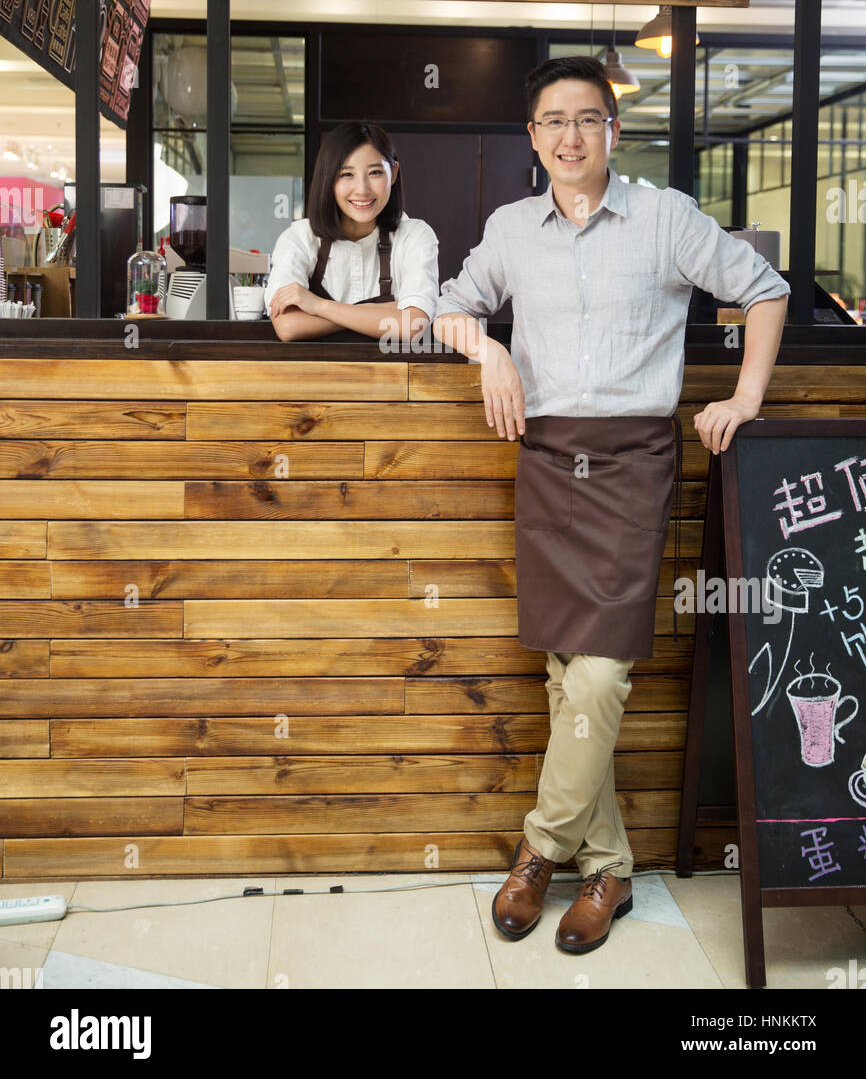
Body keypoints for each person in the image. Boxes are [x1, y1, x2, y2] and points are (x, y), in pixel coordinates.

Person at [431, 54, 790, 955]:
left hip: (633, 465)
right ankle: (611, 868)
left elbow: (766, 289)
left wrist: (745, 399)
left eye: (587, 119)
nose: (569, 136)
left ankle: (540, 849)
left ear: (612, 130)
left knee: (598, 676)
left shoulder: (665, 216)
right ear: (533, 136)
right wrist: (492, 353)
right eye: (553, 120)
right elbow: (446, 307)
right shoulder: (513, 227)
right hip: (549, 462)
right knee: (565, 680)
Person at [265, 121, 439, 343]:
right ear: (328, 178)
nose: (362, 189)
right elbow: (288, 326)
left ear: (393, 173)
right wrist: (388, 313)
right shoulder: (298, 238)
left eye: (375, 172)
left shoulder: (416, 236)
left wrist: (318, 306)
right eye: (347, 174)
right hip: (316, 375)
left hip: (394, 375)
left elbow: (414, 326)